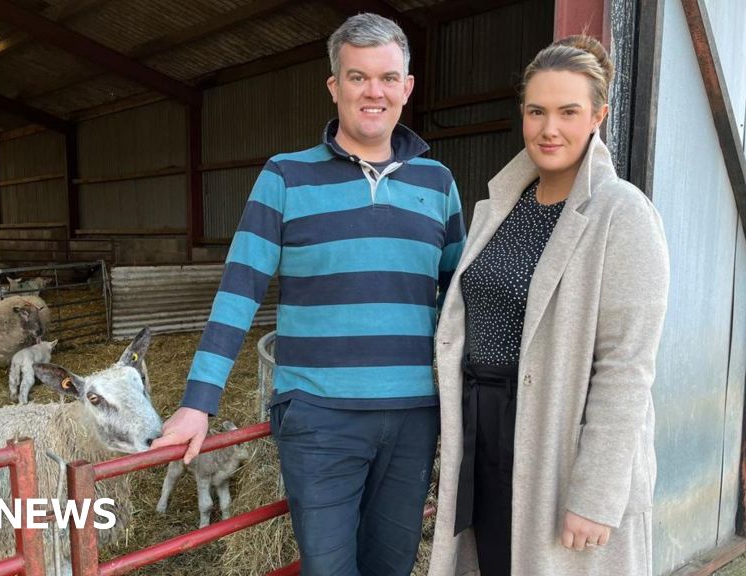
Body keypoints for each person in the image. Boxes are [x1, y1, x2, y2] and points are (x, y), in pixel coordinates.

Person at [152, 13, 465, 576]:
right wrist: (200, 401)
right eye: (358, 77)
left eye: (388, 78)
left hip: (414, 414)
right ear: (334, 86)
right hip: (319, 417)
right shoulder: (285, 177)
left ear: (407, 87)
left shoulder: (438, 183)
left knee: (392, 566)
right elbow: (239, 289)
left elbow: (458, 301)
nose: (375, 91)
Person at [427, 35, 670, 576]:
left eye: (568, 111)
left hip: (557, 436)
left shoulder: (622, 213)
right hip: (484, 429)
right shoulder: (499, 207)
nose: (549, 128)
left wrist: (597, 493)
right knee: (493, 561)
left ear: (597, 116)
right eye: (536, 111)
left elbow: (626, 366)